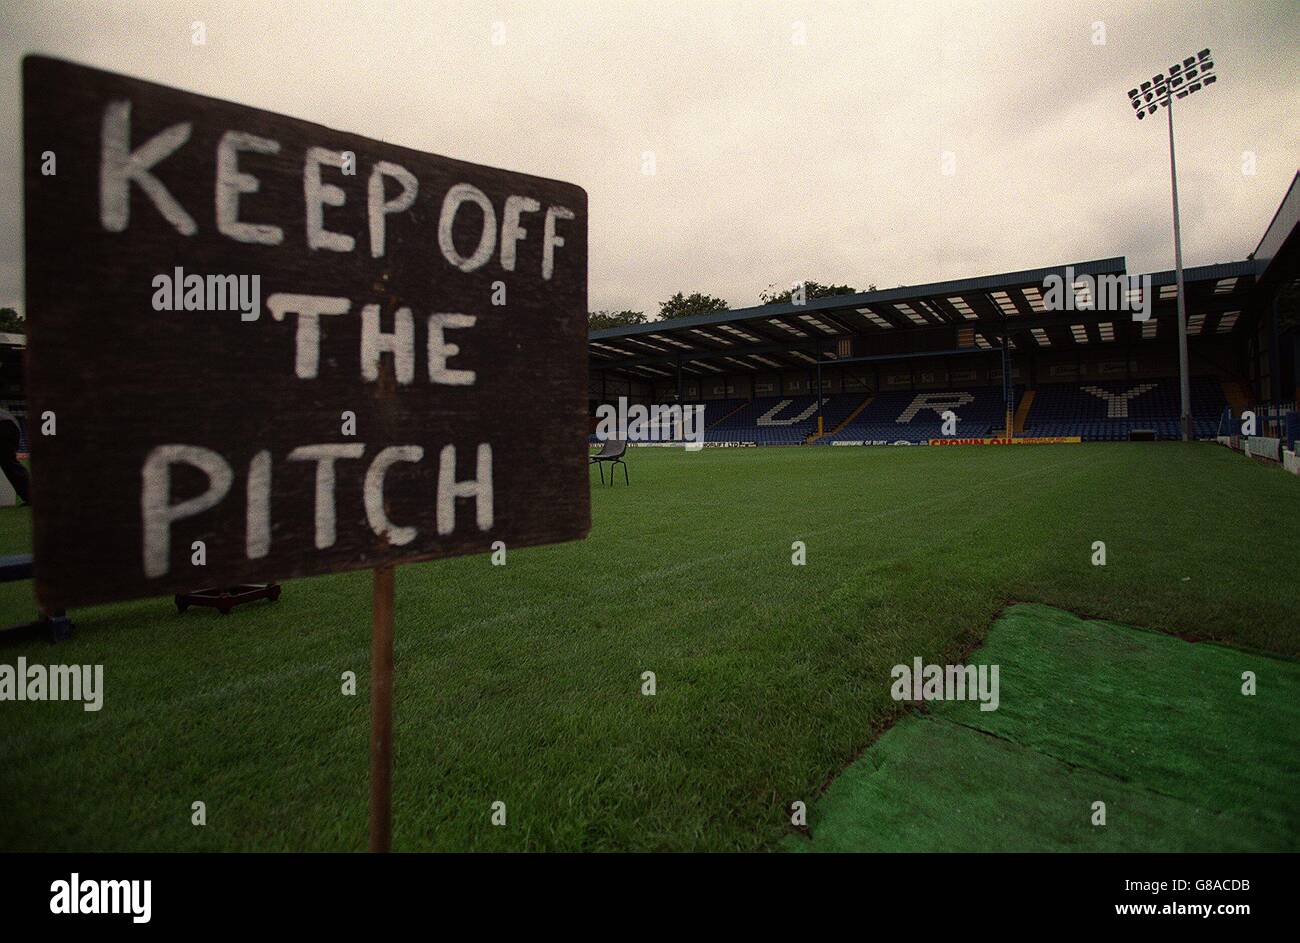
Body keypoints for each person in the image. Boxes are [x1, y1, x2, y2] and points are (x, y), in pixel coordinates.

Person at [0, 407, 30, 504]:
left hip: (5, 425)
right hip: (10, 424)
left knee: (10, 463)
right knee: (10, 464)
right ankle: (30, 496)